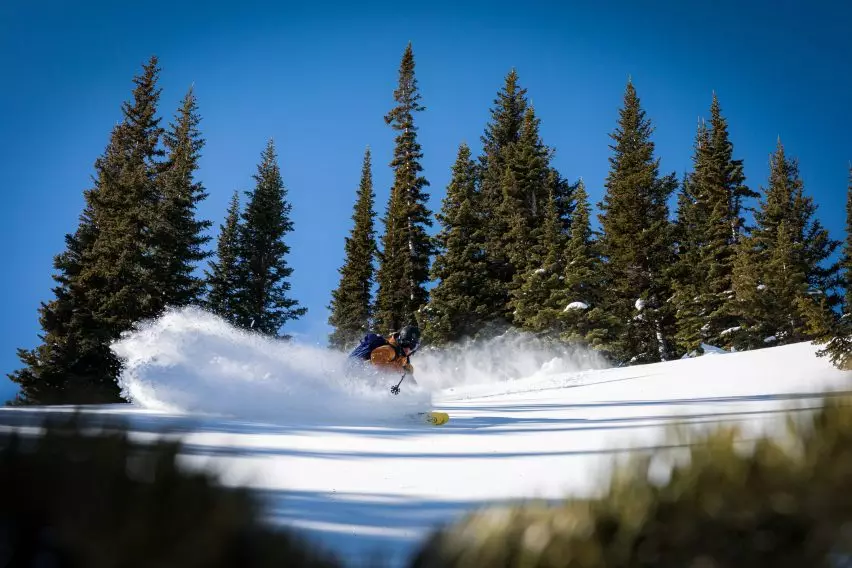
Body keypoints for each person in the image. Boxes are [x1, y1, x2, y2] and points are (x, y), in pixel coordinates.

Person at [348, 325, 421, 394]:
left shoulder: (403, 356)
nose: (408, 349)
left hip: (370, 386)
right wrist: (401, 369)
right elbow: (375, 367)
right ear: (400, 340)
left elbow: (407, 377)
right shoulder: (387, 350)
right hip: (353, 380)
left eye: (412, 346)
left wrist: (417, 389)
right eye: (405, 343)